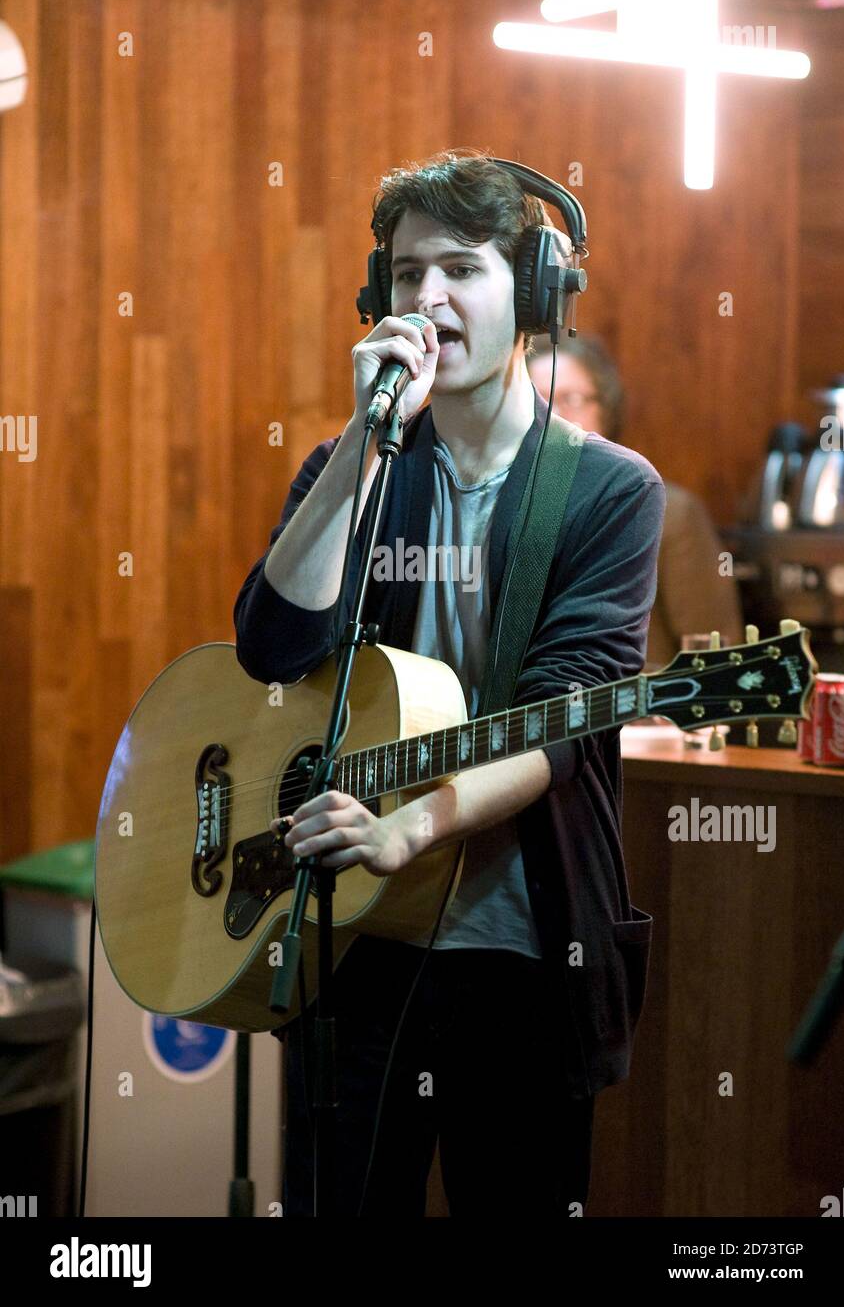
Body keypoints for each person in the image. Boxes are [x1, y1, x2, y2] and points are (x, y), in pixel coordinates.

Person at [233, 150, 666, 1217]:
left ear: (532, 293)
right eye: (406, 272)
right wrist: (362, 453)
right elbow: (270, 644)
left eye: (461, 269)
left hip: (525, 956)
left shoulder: (608, 493)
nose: (426, 298)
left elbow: (554, 728)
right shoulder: (360, 464)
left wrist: (408, 827)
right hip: (353, 948)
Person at [527, 334, 743, 668]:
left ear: (606, 410)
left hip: (643, 714)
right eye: (536, 401)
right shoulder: (493, 504)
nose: (553, 415)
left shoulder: (673, 514)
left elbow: (718, 659)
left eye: (570, 398)